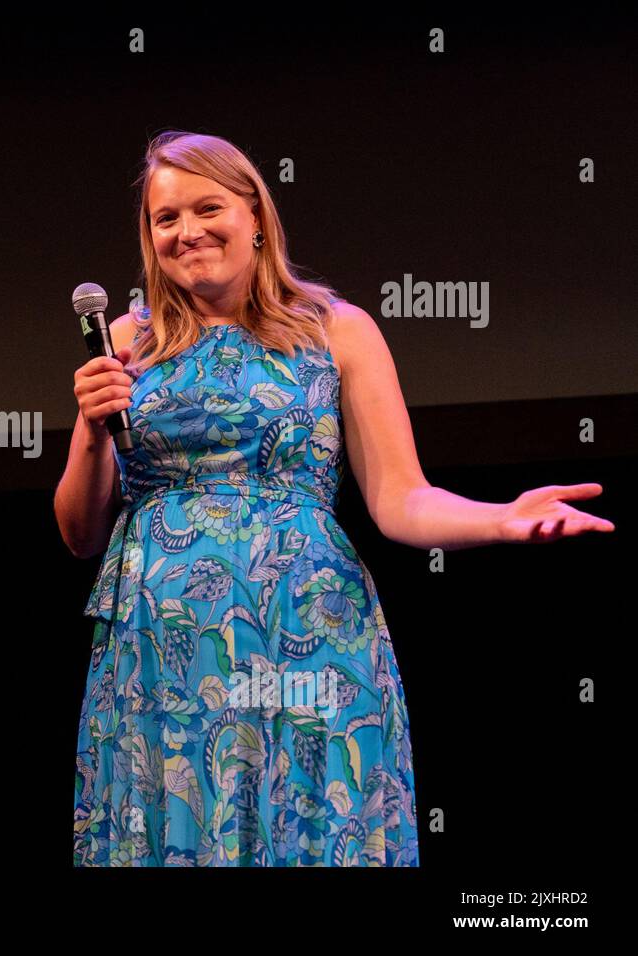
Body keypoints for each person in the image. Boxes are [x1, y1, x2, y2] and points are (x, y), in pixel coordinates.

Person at [59, 130, 614, 867]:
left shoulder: (337, 332)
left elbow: (400, 499)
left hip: (307, 626)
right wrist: (95, 432)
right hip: (163, 652)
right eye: (166, 219)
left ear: (255, 215)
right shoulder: (126, 341)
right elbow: (76, 531)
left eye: (207, 207)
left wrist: (501, 520)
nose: (187, 231)